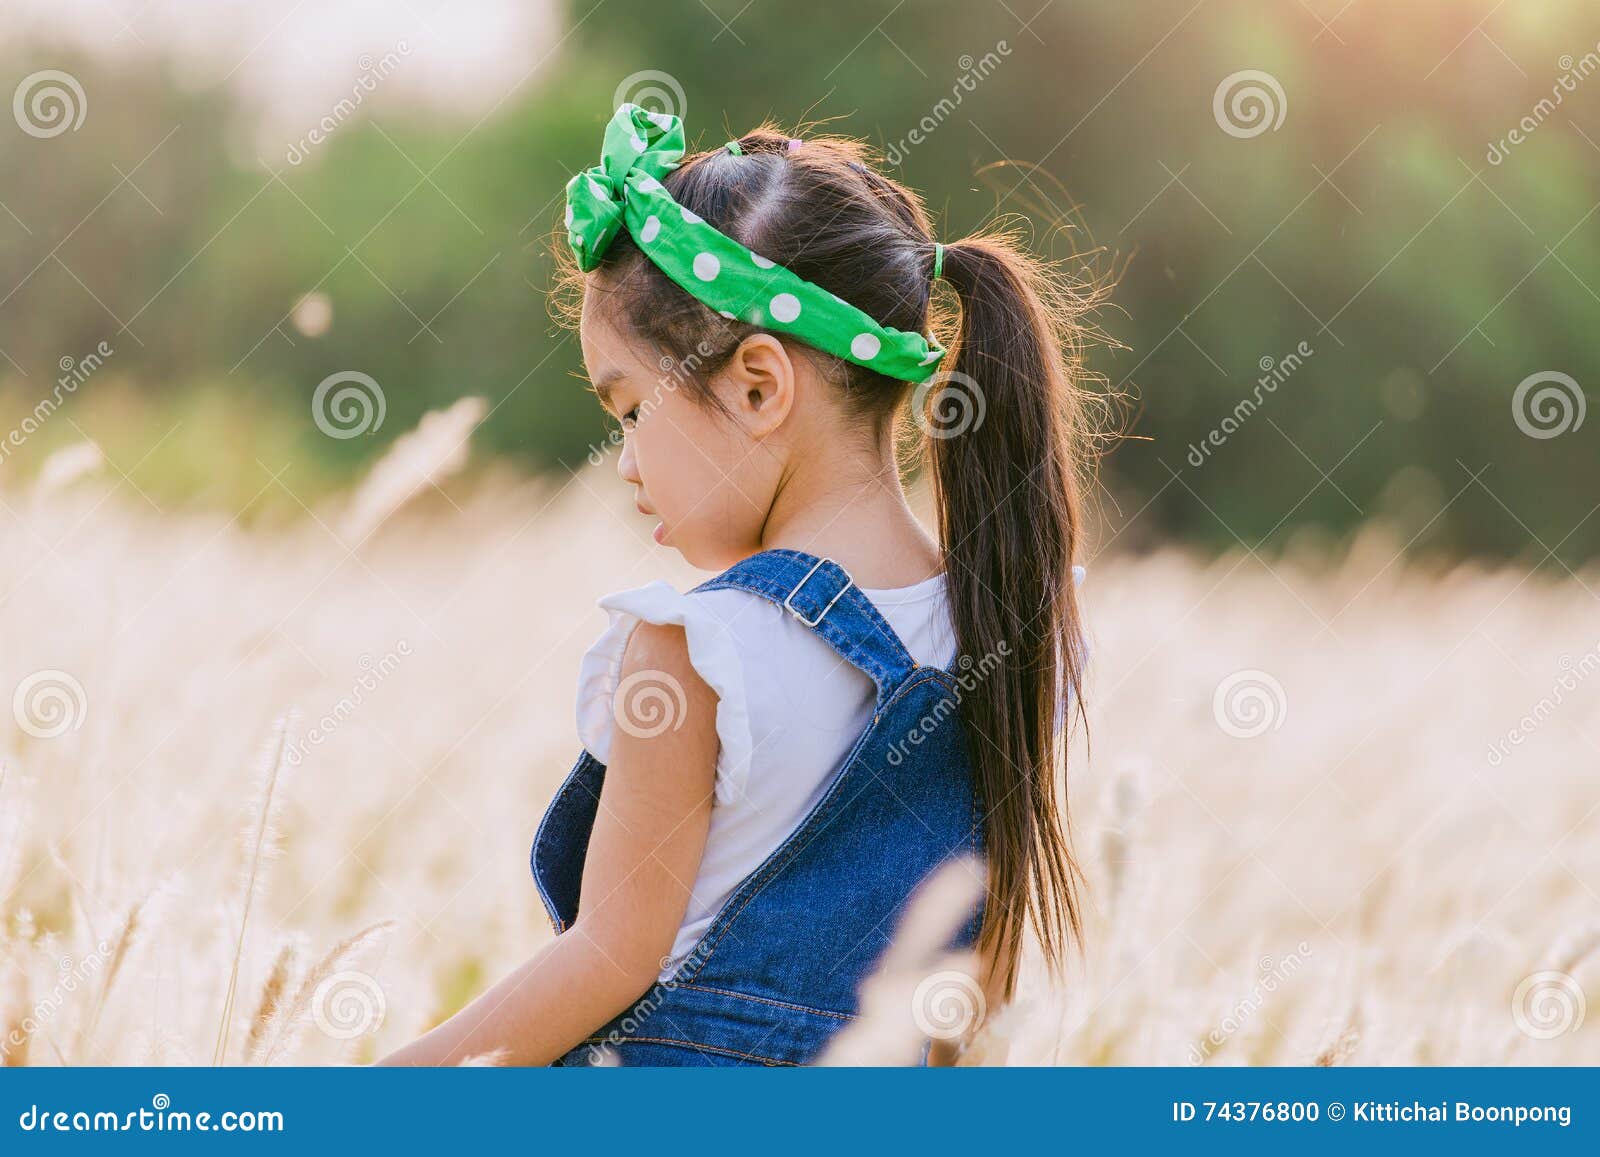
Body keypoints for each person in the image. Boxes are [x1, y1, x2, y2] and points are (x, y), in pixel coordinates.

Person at [380, 102, 1101, 1067]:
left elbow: (607, 957)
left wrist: (382, 1089)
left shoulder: (694, 647)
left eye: (630, 409)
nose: (626, 463)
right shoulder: (1020, 634)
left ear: (759, 385)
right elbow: (976, 990)